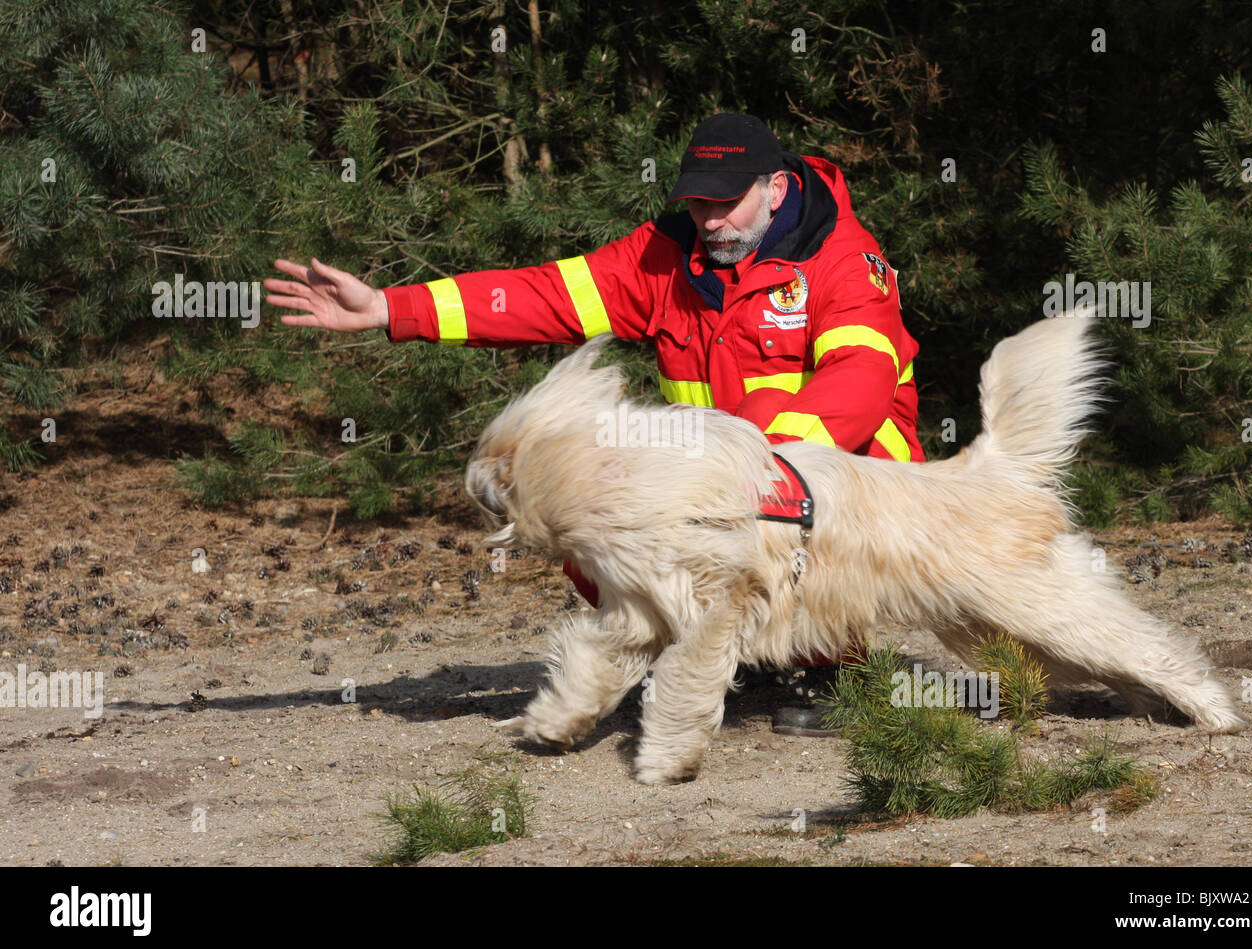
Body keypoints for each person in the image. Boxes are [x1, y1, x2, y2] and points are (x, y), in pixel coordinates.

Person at [266, 113, 924, 735]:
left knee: (776, 499)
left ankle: (828, 665)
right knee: (595, 510)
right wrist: (391, 308)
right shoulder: (664, 256)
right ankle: (725, 654)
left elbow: (860, 385)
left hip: (851, 479)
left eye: (729, 204)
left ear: (775, 189)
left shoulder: (842, 258)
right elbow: (540, 296)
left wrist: (750, 466)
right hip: (731, 477)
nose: (713, 221)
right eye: (700, 204)